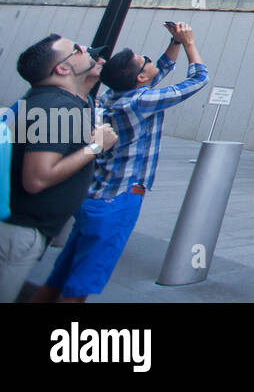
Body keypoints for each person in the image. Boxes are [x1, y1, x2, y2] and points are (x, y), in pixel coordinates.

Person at [32, 22, 208, 303]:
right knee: (79, 287)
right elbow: (198, 79)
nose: (150, 60)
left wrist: (174, 43)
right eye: (145, 61)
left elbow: (158, 71)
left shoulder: (112, 96)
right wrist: (189, 44)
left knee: (60, 276)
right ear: (139, 79)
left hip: (92, 198)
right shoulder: (140, 102)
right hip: (117, 200)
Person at [1, 36, 116, 303]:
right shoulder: (60, 106)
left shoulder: (47, 100)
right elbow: (37, 178)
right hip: (19, 233)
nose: (85, 50)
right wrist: (97, 146)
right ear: (62, 69)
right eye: (76, 49)